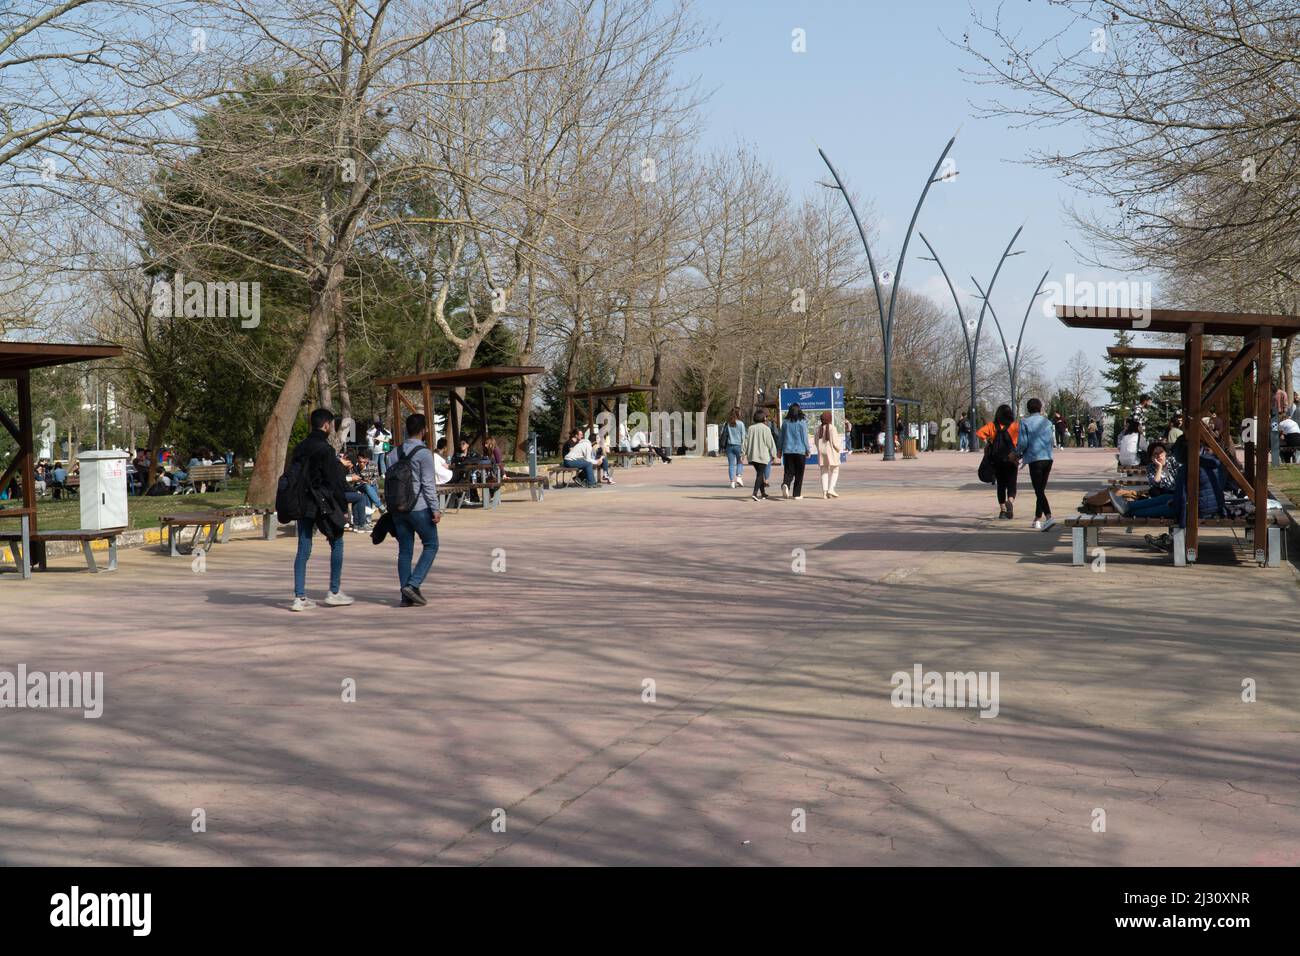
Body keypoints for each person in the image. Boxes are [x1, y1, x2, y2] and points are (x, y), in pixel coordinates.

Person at [288, 407, 354, 611]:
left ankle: (299, 597)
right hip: (323, 503)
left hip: (302, 502)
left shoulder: (299, 447)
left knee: (303, 548)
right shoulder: (325, 450)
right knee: (337, 542)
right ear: (326, 425)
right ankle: (334, 592)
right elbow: (335, 481)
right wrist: (343, 507)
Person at [385, 413, 442, 607]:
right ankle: (413, 583)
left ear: (407, 430)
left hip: (398, 508)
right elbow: (428, 484)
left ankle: (405, 597)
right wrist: (435, 509)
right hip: (419, 508)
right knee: (431, 544)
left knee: (405, 551)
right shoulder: (424, 453)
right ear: (424, 430)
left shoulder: (393, 453)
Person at [1109, 441, 1180, 518]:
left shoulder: (1173, 462)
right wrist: (1159, 467)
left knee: (1166, 499)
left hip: (1175, 495)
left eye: (1161, 452)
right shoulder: (1151, 467)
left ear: (1166, 453)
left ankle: (1128, 508)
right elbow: (1156, 483)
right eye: (1155, 454)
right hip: (1165, 495)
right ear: (1151, 457)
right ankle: (1128, 508)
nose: (1159, 455)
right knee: (1165, 498)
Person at [1016, 398, 1056, 529]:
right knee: (1041, 490)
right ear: (1040, 408)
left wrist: (1016, 453)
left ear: (1028, 409)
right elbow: (1052, 440)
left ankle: (1049, 517)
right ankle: (1037, 519)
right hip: (1048, 458)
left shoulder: (1025, 422)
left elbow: (1022, 443)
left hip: (1035, 458)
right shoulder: (1048, 422)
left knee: (1038, 490)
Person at [978, 405, 1019, 519]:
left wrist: (989, 441)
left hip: (997, 460)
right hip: (1011, 459)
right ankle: (1010, 501)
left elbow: (980, 433)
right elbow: (1021, 440)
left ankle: (1002, 510)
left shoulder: (992, 426)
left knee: (1001, 484)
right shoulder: (1015, 426)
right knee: (1012, 482)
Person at [741, 408, 779, 500]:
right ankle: (754, 493)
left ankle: (763, 493)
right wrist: (774, 455)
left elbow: (745, 442)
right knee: (759, 475)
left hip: (752, 456)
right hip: (762, 456)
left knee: (760, 474)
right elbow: (771, 443)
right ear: (764, 418)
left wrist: (742, 454)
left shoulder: (750, 428)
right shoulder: (766, 429)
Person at [779, 402, 810, 499]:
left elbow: (781, 437)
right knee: (799, 473)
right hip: (800, 451)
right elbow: (804, 437)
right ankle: (797, 494)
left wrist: (779, 450)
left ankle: (786, 484)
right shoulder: (802, 422)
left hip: (788, 451)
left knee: (788, 471)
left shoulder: (785, 423)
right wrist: (807, 449)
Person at [815, 411, 843, 498]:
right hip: (831, 452)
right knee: (835, 470)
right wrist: (839, 449)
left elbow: (816, 441)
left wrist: (819, 448)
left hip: (822, 452)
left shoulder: (818, 428)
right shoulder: (832, 428)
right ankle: (831, 489)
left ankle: (824, 492)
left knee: (824, 472)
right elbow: (835, 443)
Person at [720, 407, 747, 488]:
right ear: (738, 413)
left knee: (731, 465)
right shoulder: (741, 424)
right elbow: (743, 437)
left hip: (729, 446)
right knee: (740, 462)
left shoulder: (727, 423)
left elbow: (723, 434)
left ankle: (732, 482)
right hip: (738, 446)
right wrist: (744, 448)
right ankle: (739, 477)